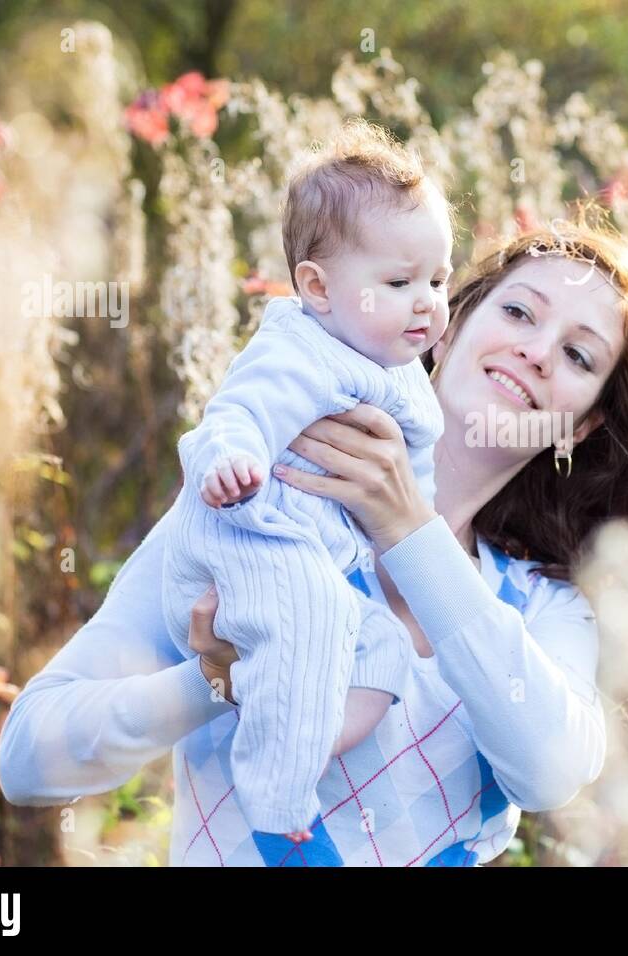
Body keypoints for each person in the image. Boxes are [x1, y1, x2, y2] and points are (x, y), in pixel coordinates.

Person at [0, 209, 628, 866]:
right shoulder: (257, 517)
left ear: (578, 427)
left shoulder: (543, 608)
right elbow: (29, 757)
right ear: (445, 326)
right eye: (519, 312)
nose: (539, 352)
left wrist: (408, 528)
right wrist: (224, 681)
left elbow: (550, 770)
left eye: (580, 357)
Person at [160, 118, 452, 835]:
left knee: (388, 649)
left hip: (322, 561)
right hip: (251, 536)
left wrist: (413, 545)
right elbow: (232, 416)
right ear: (317, 288)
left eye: (439, 279)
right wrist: (234, 461)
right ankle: (276, 801)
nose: (427, 301)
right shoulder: (301, 349)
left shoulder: (405, 376)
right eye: (399, 281)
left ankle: (297, 741)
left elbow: (417, 491)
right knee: (314, 614)